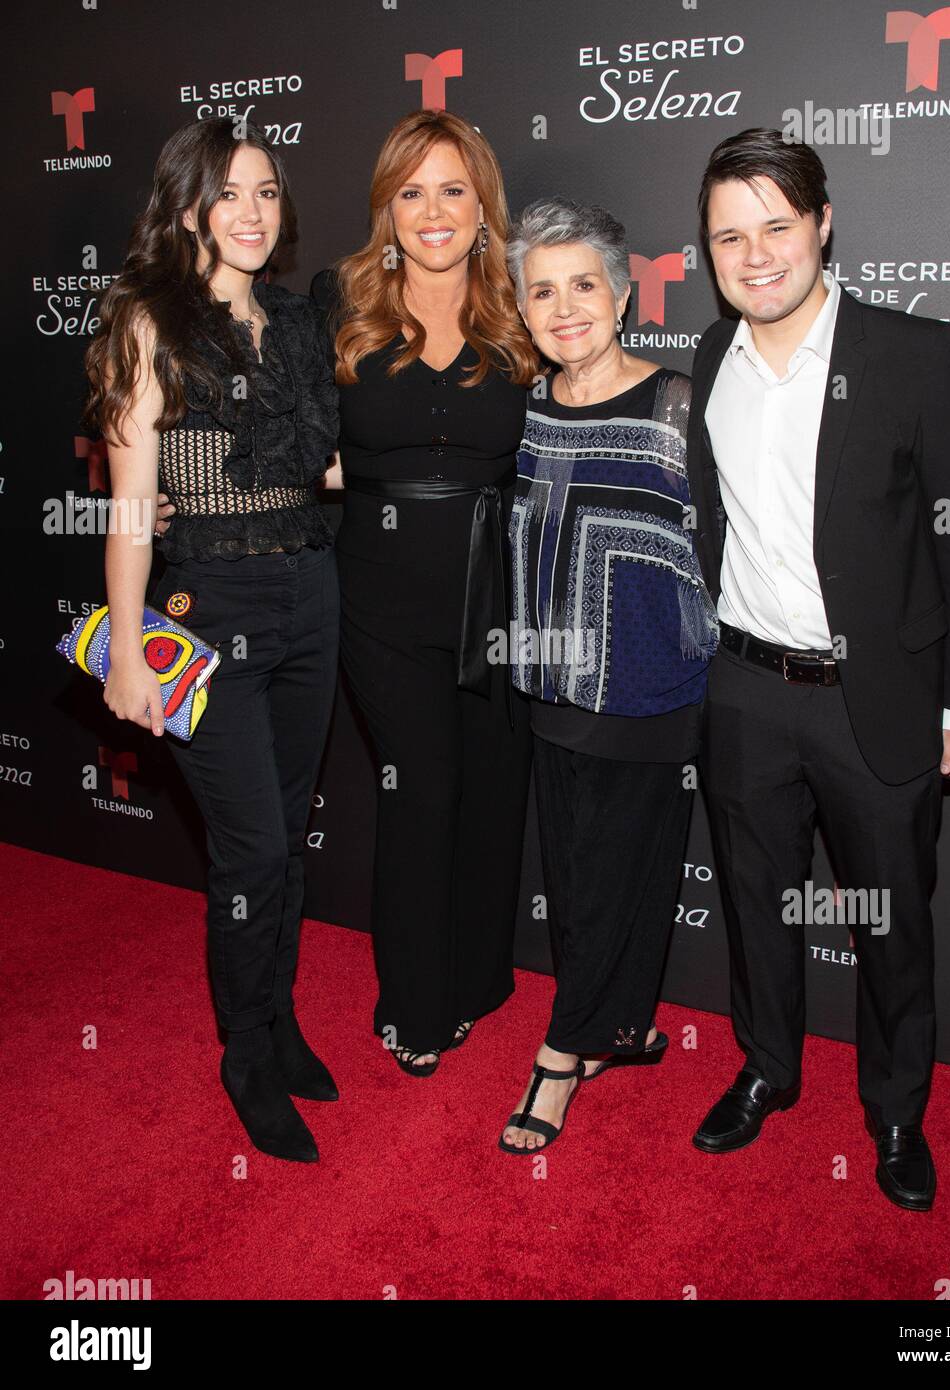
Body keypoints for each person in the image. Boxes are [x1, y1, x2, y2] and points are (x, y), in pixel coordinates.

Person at [686, 128, 950, 1209]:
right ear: (709, 249)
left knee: (887, 921)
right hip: (741, 692)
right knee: (754, 903)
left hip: (873, 701)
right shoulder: (707, 362)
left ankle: (895, 1110)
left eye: (776, 224)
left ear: (822, 224)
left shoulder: (916, 354)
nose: (755, 252)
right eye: (730, 234)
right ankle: (767, 1066)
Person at [88, 118, 341, 1164]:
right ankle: (244, 1049)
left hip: (311, 595)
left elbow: (321, 471)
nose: (252, 211)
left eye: (268, 192)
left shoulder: (294, 321)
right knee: (254, 847)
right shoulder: (149, 320)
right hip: (207, 607)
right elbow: (133, 507)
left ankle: (276, 1020)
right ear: (186, 203)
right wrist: (130, 648)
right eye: (230, 192)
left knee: (285, 832)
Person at [308, 111, 536, 1076]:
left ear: (482, 204)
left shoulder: (523, 307)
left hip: (503, 593)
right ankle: (411, 1000)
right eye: (411, 192)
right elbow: (295, 431)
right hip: (381, 597)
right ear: (386, 208)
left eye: (452, 190)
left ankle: (477, 979)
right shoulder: (338, 299)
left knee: (491, 791)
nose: (432, 212)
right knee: (419, 789)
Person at [497, 198, 719, 1154]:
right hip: (552, 686)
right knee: (580, 870)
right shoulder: (523, 411)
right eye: (541, 292)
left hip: (656, 687)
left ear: (623, 296)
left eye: (583, 285)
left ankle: (564, 1053)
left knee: (628, 870)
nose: (564, 307)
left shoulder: (681, 404)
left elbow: (739, 537)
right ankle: (610, 1030)